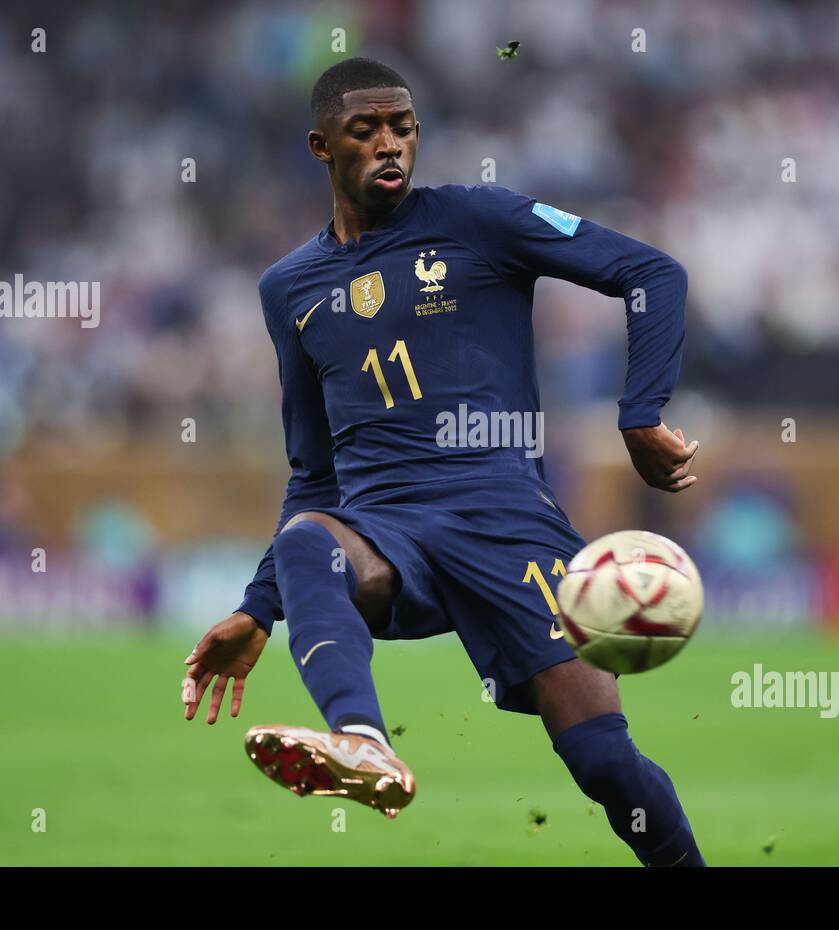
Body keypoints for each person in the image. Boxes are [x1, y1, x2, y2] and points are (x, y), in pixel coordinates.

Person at [183, 58, 704, 865]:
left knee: (605, 765)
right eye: (366, 130)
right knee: (304, 539)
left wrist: (639, 416)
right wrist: (259, 607)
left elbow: (651, 273)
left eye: (403, 127)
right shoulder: (289, 288)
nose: (390, 143)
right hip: (388, 534)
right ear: (322, 146)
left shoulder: (480, 221)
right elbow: (313, 472)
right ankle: (359, 740)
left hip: (506, 521)